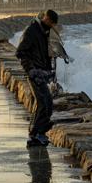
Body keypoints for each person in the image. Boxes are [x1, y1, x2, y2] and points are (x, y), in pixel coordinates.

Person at [15, 9, 60, 148]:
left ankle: (37, 133)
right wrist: (31, 70)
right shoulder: (32, 31)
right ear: (46, 18)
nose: (52, 26)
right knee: (44, 103)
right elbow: (20, 52)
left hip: (42, 74)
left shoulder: (43, 31)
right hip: (34, 74)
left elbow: (43, 53)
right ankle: (36, 134)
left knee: (44, 103)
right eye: (51, 23)